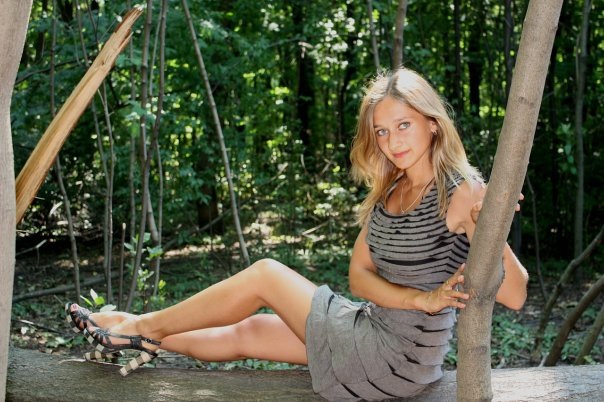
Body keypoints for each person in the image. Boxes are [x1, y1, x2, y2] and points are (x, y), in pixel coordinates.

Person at [65, 67, 528, 400]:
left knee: (266, 274)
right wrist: (414, 298)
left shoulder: (462, 191)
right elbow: (358, 276)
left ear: (432, 123)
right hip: (370, 329)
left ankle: (140, 327)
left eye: (403, 125)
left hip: (398, 359)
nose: (393, 141)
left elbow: (516, 294)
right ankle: (129, 326)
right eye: (382, 132)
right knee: (248, 333)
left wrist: (489, 227)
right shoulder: (391, 191)